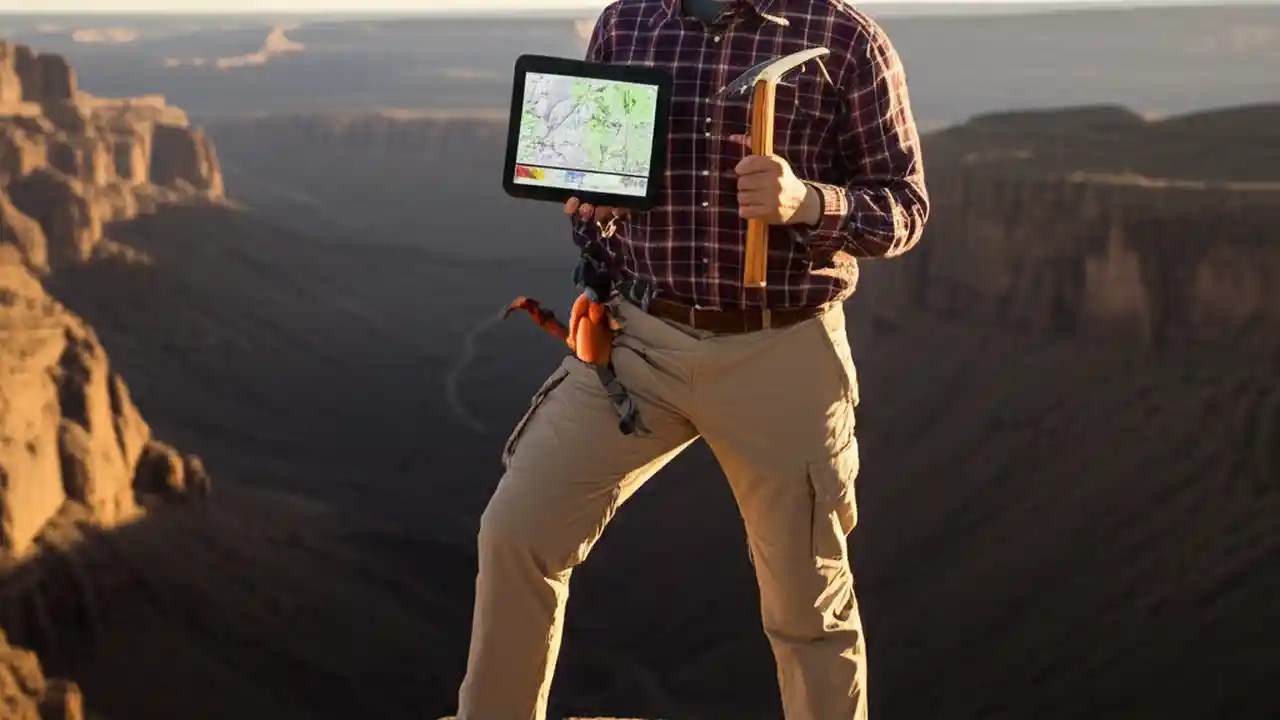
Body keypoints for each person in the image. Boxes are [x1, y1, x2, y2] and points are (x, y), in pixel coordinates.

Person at [456, 0, 928, 717]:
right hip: (637, 340)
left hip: (783, 347)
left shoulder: (842, 36)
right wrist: (593, 198)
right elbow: (601, 160)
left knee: (808, 607)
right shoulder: (629, 21)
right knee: (517, 533)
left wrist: (807, 202)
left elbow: (905, 208)